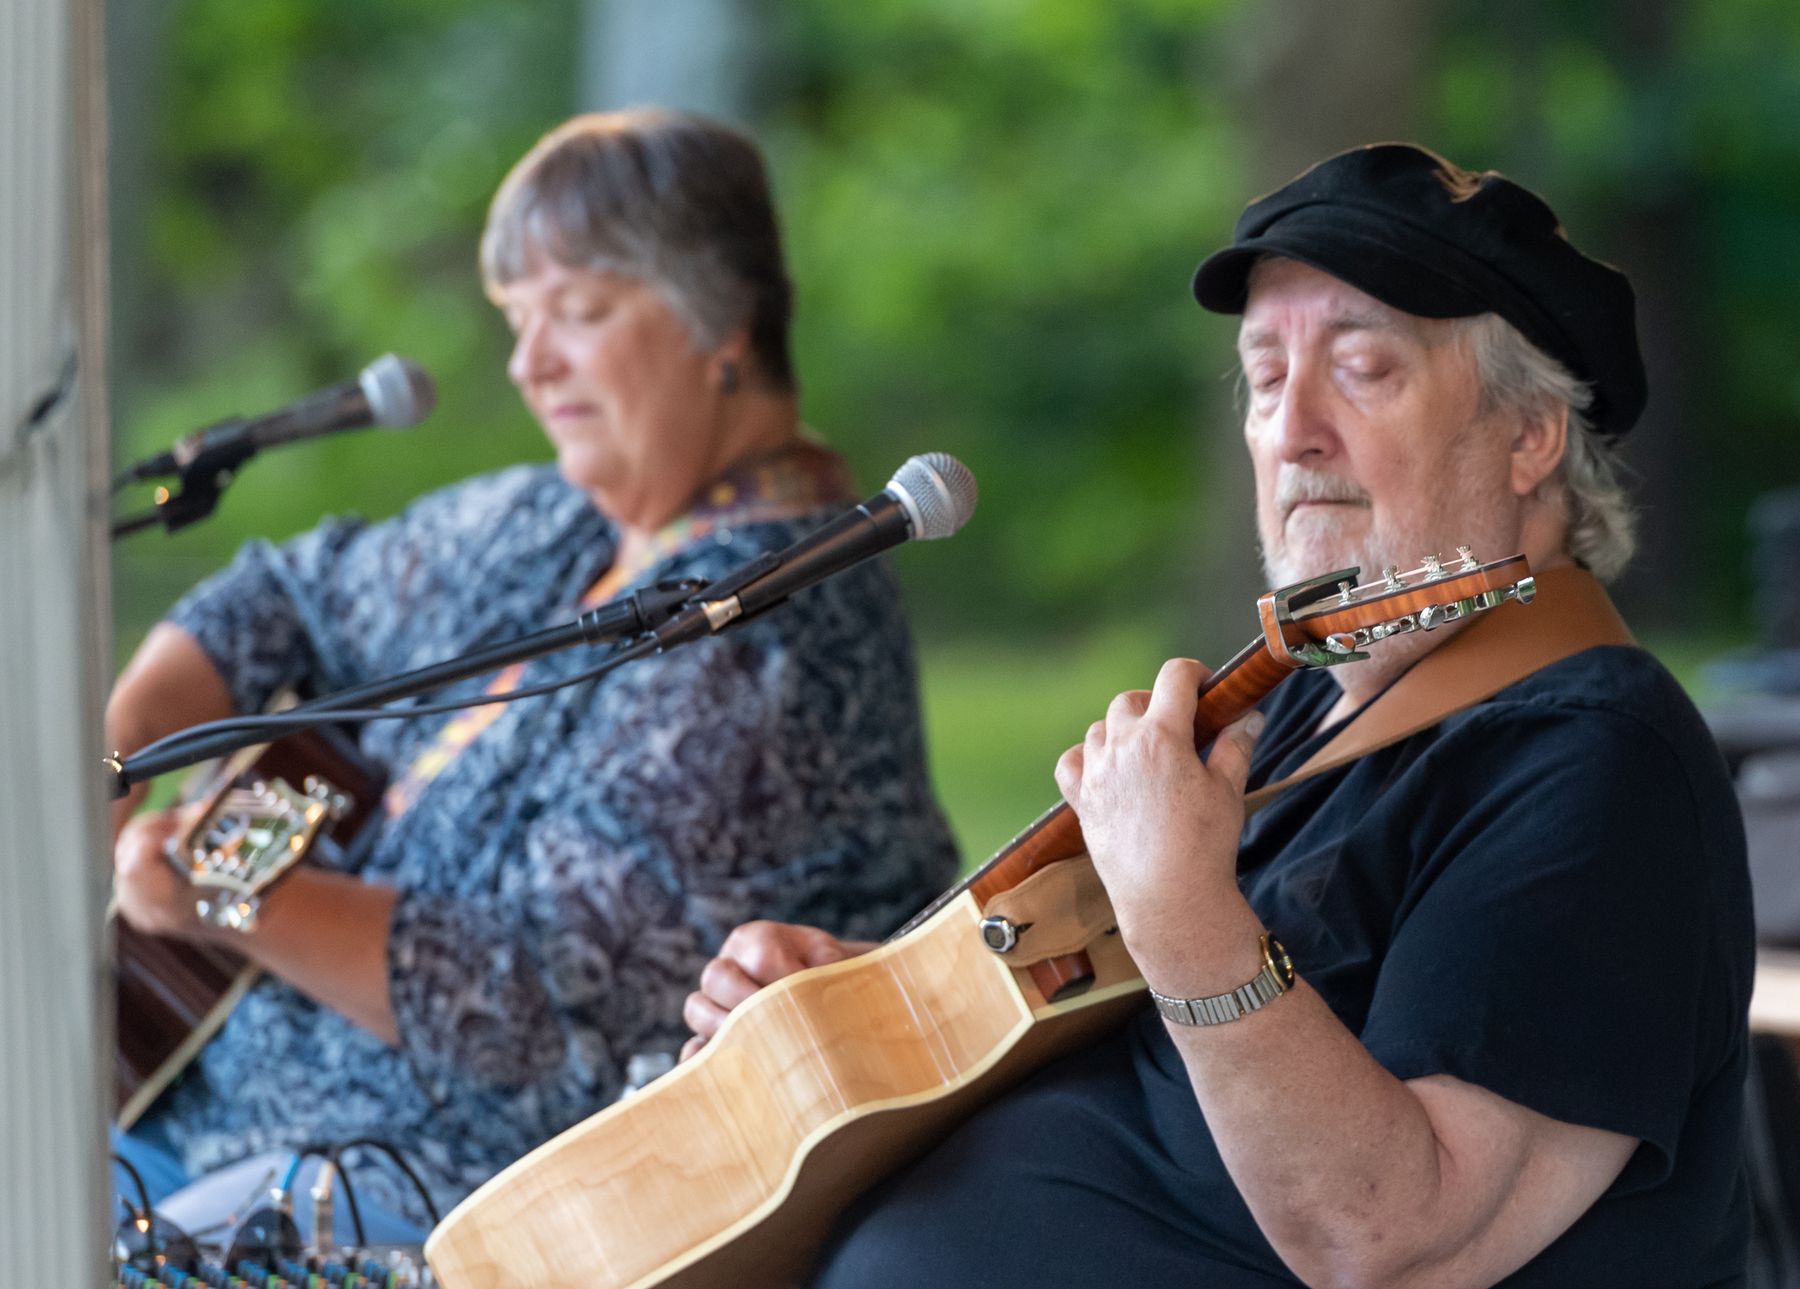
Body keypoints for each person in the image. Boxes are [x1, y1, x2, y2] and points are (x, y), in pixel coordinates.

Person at [683, 144, 1753, 1286]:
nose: (1294, 430)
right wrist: (860, 1018)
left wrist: (1184, 908)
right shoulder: (1302, 711)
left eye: (1364, 370)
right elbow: (1146, 1062)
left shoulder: (1596, 760)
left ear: (1530, 434)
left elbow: (1394, 1236)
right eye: (1265, 375)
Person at [107, 107, 959, 1233]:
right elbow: (285, 593)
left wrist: (232, 897)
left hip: (456, 1193)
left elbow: (542, 1010)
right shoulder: (556, 522)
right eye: (518, 320)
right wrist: (116, 752)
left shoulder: (773, 635)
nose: (528, 361)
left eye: (581, 312)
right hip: (192, 1100)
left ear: (724, 324)